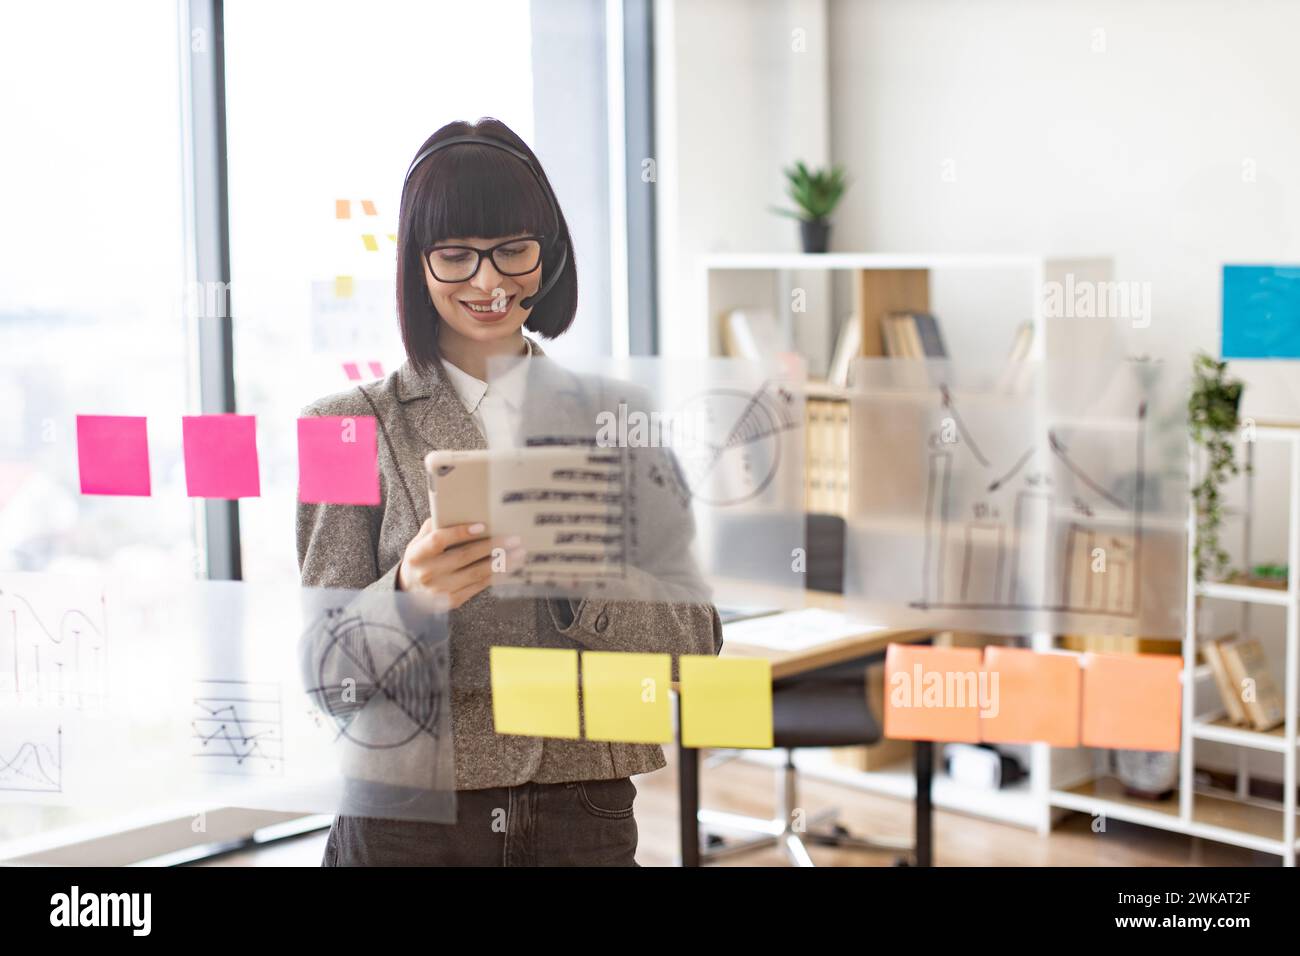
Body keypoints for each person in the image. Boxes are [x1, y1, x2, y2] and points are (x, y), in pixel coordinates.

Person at [297, 117, 722, 866]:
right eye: (455, 256)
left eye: (512, 252)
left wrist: (584, 586)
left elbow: (697, 641)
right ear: (416, 267)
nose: (489, 283)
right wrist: (407, 594)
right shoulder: (341, 427)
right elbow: (327, 677)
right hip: (407, 813)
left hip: (581, 806)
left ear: (546, 253)